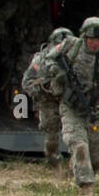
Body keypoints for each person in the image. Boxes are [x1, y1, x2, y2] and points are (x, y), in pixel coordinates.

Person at [44, 17, 99, 193]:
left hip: (95, 109)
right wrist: (57, 72)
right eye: (92, 39)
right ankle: (86, 189)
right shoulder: (70, 46)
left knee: (96, 158)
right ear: (84, 37)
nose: (95, 44)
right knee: (79, 145)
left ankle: (83, 170)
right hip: (70, 106)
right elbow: (48, 58)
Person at [0, 0, 54, 103]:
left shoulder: (45, 6)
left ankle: (37, 109)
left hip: (41, 47)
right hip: (23, 47)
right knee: (21, 77)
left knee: (42, 77)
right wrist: (5, 38)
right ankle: (20, 109)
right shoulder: (19, 3)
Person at [21, 27, 73, 166]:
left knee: (75, 129)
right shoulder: (41, 59)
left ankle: (77, 159)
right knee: (51, 131)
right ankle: (53, 159)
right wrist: (40, 94)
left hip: (69, 99)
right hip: (48, 100)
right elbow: (27, 82)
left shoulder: (77, 59)